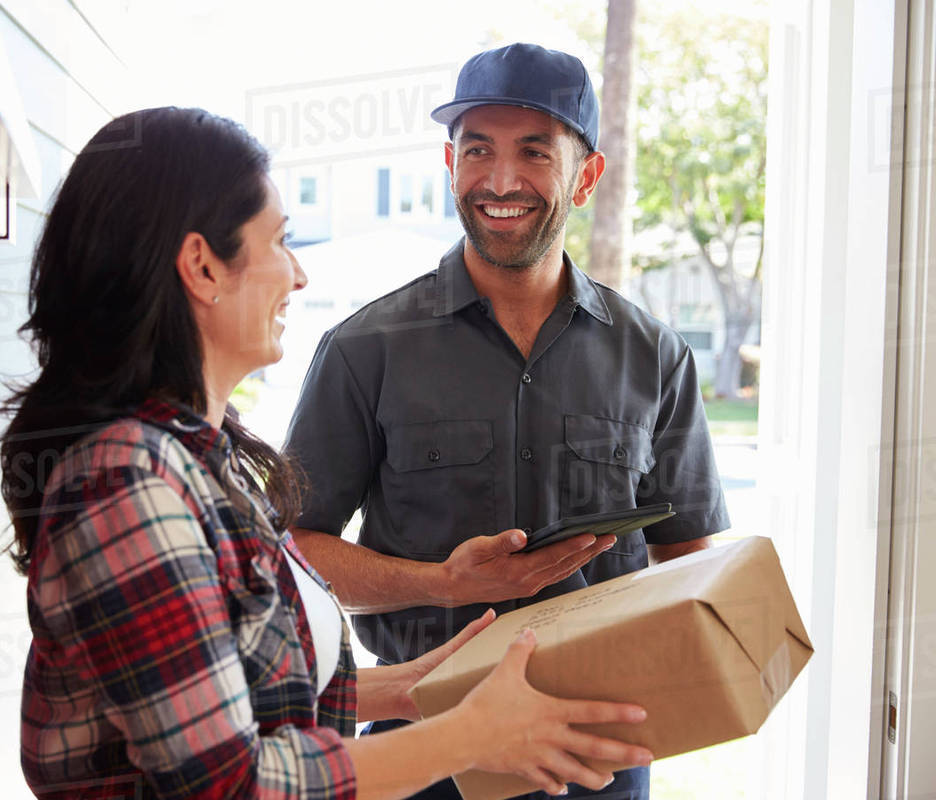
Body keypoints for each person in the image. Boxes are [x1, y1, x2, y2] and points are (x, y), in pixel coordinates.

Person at [0, 106, 653, 800]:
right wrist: (468, 736)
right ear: (201, 266)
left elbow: (247, 697)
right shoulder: (128, 487)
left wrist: (414, 688)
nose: (299, 275)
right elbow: (229, 785)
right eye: (280, 241)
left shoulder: (201, 462)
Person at [283, 43, 731, 800]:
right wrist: (442, 584)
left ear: (586, 175)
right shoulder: (364, 351)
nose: (500, 180)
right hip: (418, 749)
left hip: (599, 759)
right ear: (448, 162)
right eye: (477, 150)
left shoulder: (655, 357)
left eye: (534, 152)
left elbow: (689, 560)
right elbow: (292, 554)